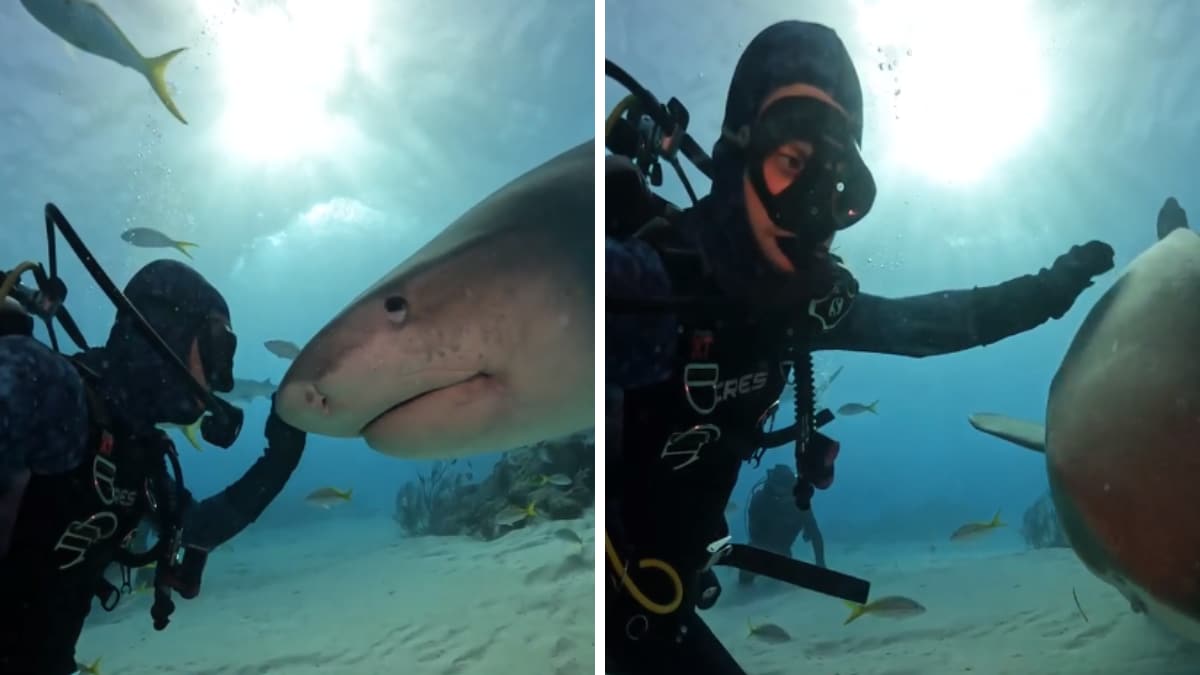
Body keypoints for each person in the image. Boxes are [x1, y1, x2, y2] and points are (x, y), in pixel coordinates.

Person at [604, 20, 1115, 675]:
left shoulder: (797, 309)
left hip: (667, 602)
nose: (816, 207)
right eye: (793, 162)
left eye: (838, 182)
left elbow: (935, 325)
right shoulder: (648, 289)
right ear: (736, 153)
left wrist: (1051, 288)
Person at [0, 226, 307, 675]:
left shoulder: (137, 454)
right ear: (169, 329)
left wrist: (280, 458)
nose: (222, 378)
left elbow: (196, 530)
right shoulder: (49, 386)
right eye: (221, 347)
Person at [738, 464, 824, 589]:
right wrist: (775, 508)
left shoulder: (800, 502)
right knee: (745, 580)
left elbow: (815, 534)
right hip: (757, 548)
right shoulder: (760, 498)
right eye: (778, 486)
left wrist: (820, 564)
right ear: (772, 484)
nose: (781, 491)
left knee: (776, 585)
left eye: (786, 487)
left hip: (783, 550)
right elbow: (754, 533)